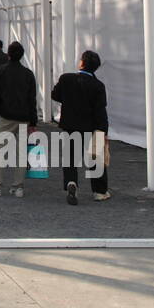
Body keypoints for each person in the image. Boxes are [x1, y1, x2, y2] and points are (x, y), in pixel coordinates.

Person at [52, 50, 111, 205]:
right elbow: (100, 110)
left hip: (70, 125)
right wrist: (103, 131)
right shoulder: (98, 86)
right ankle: (99, 192)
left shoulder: (66, 79)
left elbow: (55, 95)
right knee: (95, 159)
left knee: (70, 158)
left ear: (81, 63)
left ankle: (72, 183)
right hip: (91, 127)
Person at [0, 41, 37, 198]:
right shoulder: (28, 74)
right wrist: (33, 122)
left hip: (6, 116)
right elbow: (32, 99)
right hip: (25, 116)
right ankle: (18, 187)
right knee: (22, 152)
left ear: (9, 54)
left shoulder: (1, 71)